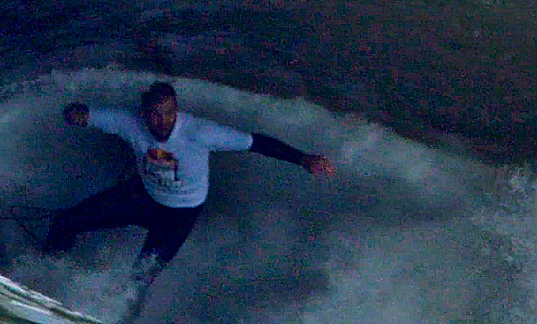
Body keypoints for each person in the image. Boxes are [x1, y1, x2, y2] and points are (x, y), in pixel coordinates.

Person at [44, 80, 335, 275]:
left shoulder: (200, 133)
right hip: (141, 197)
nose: (163, 122)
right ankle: (44, 274)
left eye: (169, 114)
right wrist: (76, 113)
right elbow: (87, 115)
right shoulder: (129, 123)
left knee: (139, 278)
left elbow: (256, 143)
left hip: (180, 217)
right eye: (155, 115)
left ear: (177, 110)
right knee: (65, 222)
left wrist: (303, 159)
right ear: (144, 112)